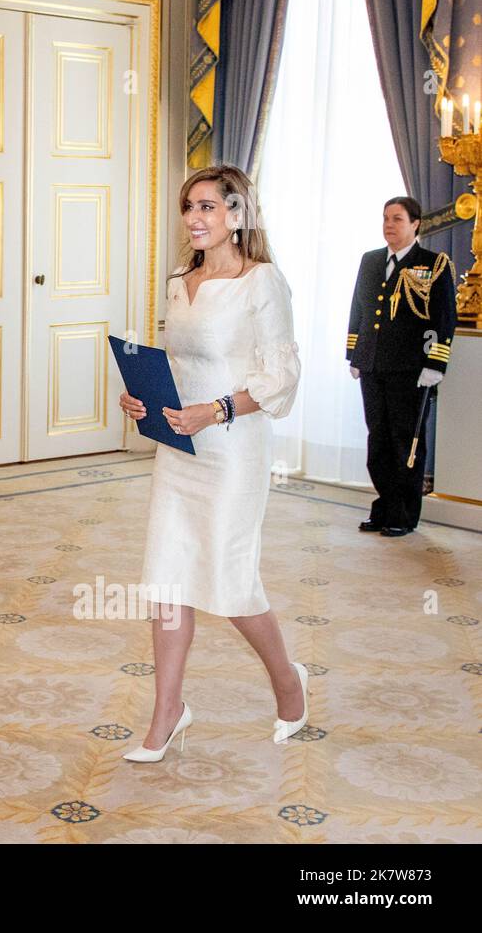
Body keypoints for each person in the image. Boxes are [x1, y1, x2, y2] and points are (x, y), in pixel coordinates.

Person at [118, 164, 306, 760]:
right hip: (179, 449)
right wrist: (144, 397)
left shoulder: (262, 282)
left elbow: (280, 378)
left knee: (230, 584)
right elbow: (180, 361)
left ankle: (287, 682)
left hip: (233, 451)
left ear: (236, 214)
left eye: (207, 207)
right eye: (188, 208)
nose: (195, 219)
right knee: (168, 577)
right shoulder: (181, 279)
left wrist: (217, 409)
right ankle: (167, 714)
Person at [346, 196, 456, 537]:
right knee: (377, 439)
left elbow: (444, 316)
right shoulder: (371, 260)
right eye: (385, 219)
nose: (389, 225)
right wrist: (354, 353)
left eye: (396, 219)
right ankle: (384, 507)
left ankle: (403, 514)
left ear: (415, 224)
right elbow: (359, 310)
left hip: (411, 370)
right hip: (373, 364)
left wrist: (435, 362)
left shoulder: (433, 264)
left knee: (405, 442)